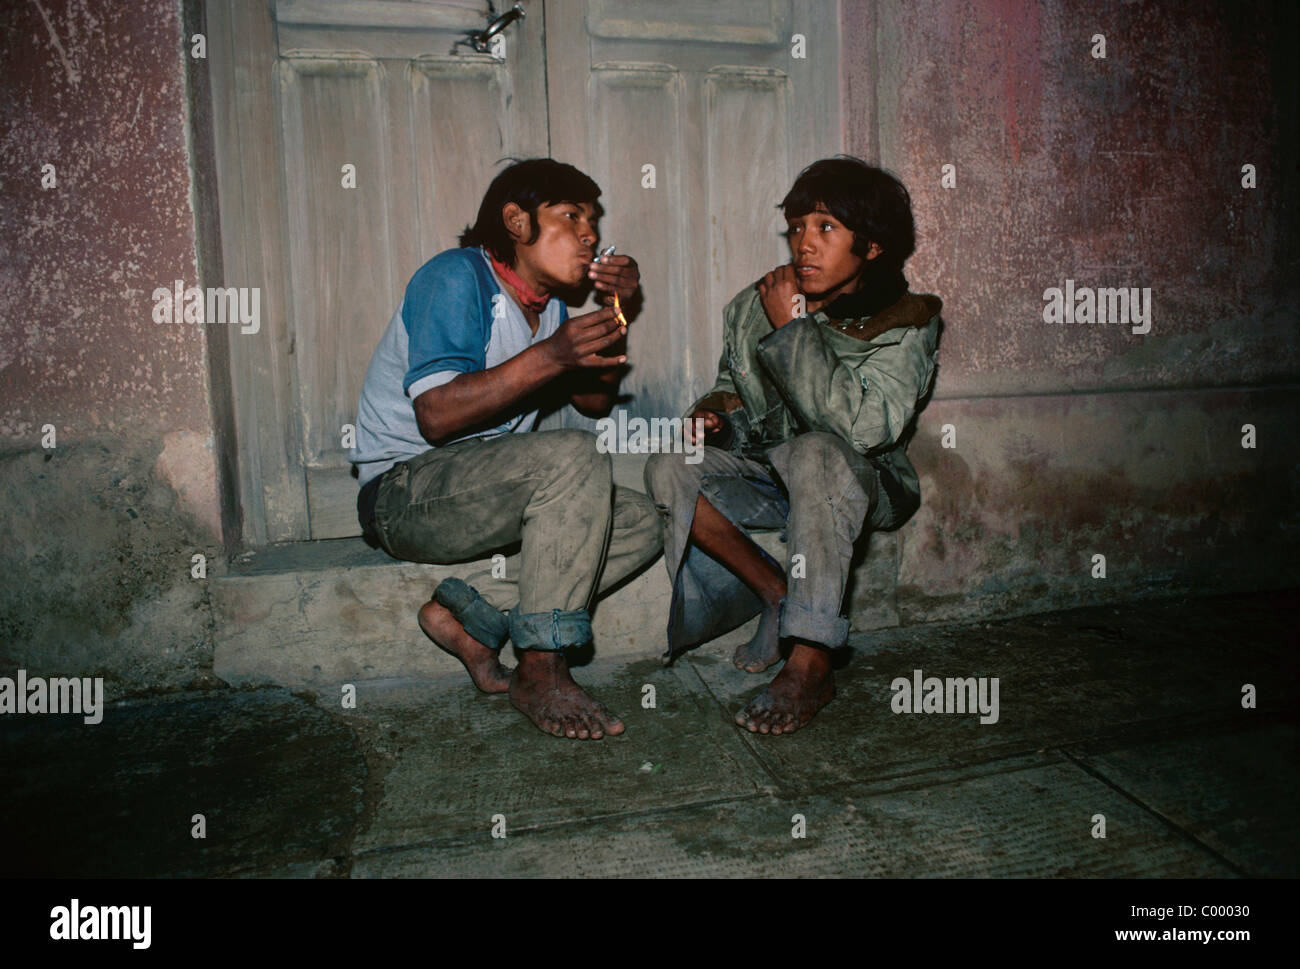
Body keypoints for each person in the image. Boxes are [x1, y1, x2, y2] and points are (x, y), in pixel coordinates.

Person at [351, 158, 662, 741]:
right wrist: (552, 357)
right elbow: (437, 415)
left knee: (644, 521)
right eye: (570, 216)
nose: (590, 233)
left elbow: (595, 404)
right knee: (572, 455)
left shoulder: (552, 314)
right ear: (517, 222)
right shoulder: (457, 277)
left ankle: (472, 614)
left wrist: (615, 314)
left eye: (593, 219)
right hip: (404, 493)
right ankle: (541, 668)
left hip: (484, 492)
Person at [644, 156, 943, 736]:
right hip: (771, 471)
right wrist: (713, 419)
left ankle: (811, 658)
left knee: (814, 452)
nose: (804, 244)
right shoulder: (755, 304)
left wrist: (794, 333)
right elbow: (732, 389)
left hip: (862, 480)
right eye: (797, 228)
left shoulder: (906, 323)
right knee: (670, 464)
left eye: (826, 228)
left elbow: (864, 429)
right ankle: (776, 593)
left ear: (873, 246)